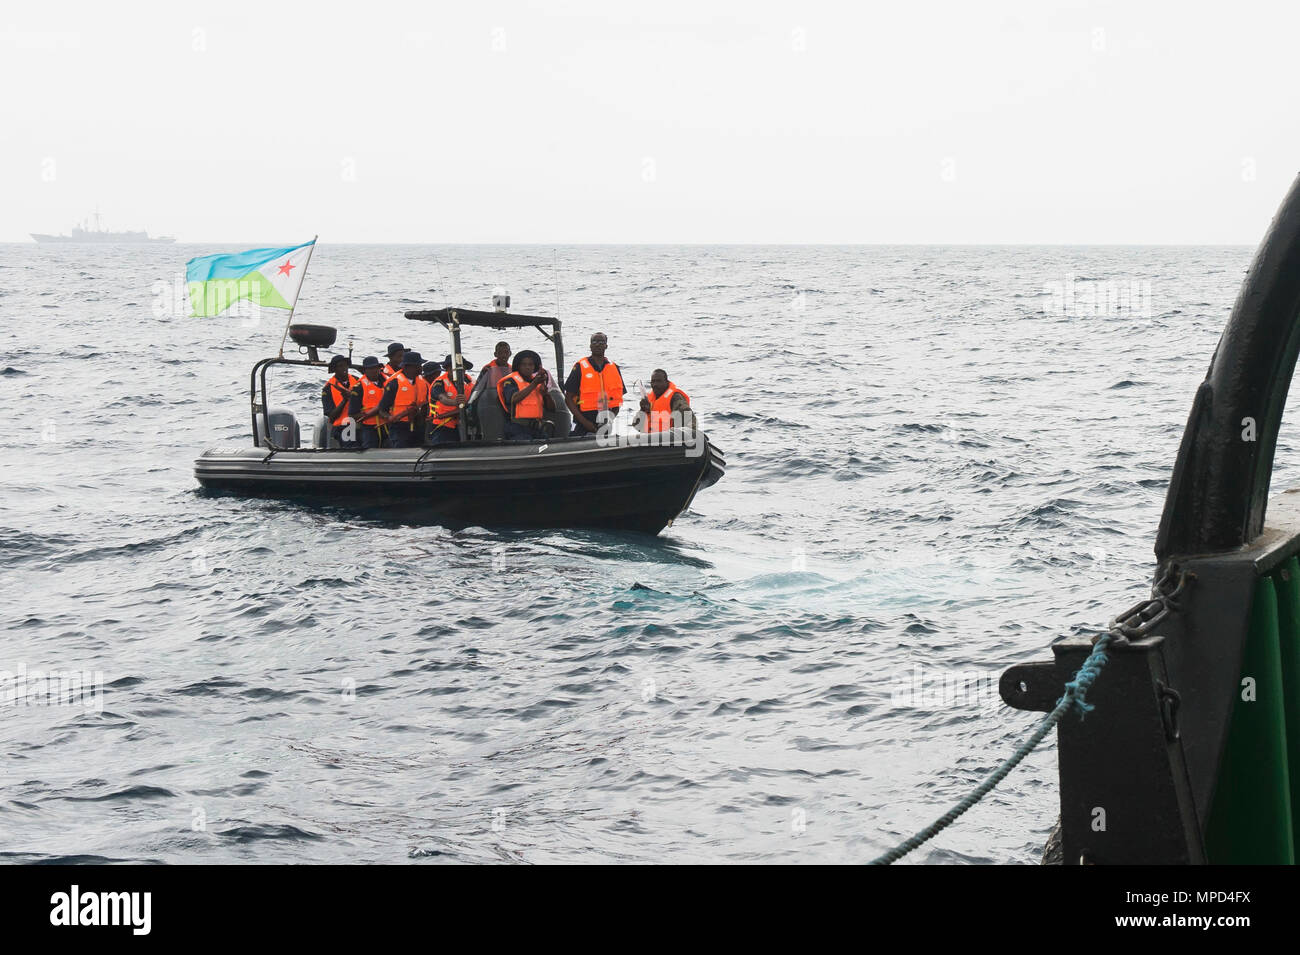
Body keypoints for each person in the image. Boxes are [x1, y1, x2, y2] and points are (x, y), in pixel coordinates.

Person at [565, 332, 625, 436]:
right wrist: (585, 422)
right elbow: (568, 398)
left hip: (605, 420)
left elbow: (618, 400)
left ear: (606, 346)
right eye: (595, 341)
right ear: (590, 345)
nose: (598, 344)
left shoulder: (614, 368)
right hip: (583, 420)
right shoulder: (580, 367)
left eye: (601, 342)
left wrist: (610, 419)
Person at [496, 349, 555, 441]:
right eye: (524, 364)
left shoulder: (538, 383)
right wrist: (534, 384)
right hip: (517, 428)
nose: (527, 367)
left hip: (536, 428)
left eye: (530, 364)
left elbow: (552, 408)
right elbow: (514, 399)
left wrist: (546, 394)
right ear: (518, 366)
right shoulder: (511, 381)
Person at [378, 351, 429, 448]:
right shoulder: (394, 383)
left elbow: (426, 404)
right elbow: (382, 409)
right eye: (417, 365)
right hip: (399, 427)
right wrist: (389, 418)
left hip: (418, 425)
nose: (421, 368)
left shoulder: (423, 383)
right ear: (406, 367)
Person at [429, 355, 475, 445]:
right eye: (455, 369)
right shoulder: (439, 383)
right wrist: (454, 402)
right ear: (448, 369)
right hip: (442, 426)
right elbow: (442, 398)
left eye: (462, 368)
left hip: (463, 424)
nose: (459, 371)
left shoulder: (469, 381)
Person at [321, 355, 361, 449]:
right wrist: (344, 400)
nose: (344, 368)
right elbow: (331, 415)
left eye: (345, 365)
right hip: (343, 425)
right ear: (334, 369)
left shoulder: (357, 380)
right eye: (340, 366)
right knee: (351, 449)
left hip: (361, 422)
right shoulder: (327, 389)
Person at [354, 356, 388, 449]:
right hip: (370, 427)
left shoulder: (389, 382)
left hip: (388, 425)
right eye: (370, 368)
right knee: (369, 450)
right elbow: (353, 414)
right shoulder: (358, 387)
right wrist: (375, 412)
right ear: (364, 370)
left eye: (375, 368)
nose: (374, 371)